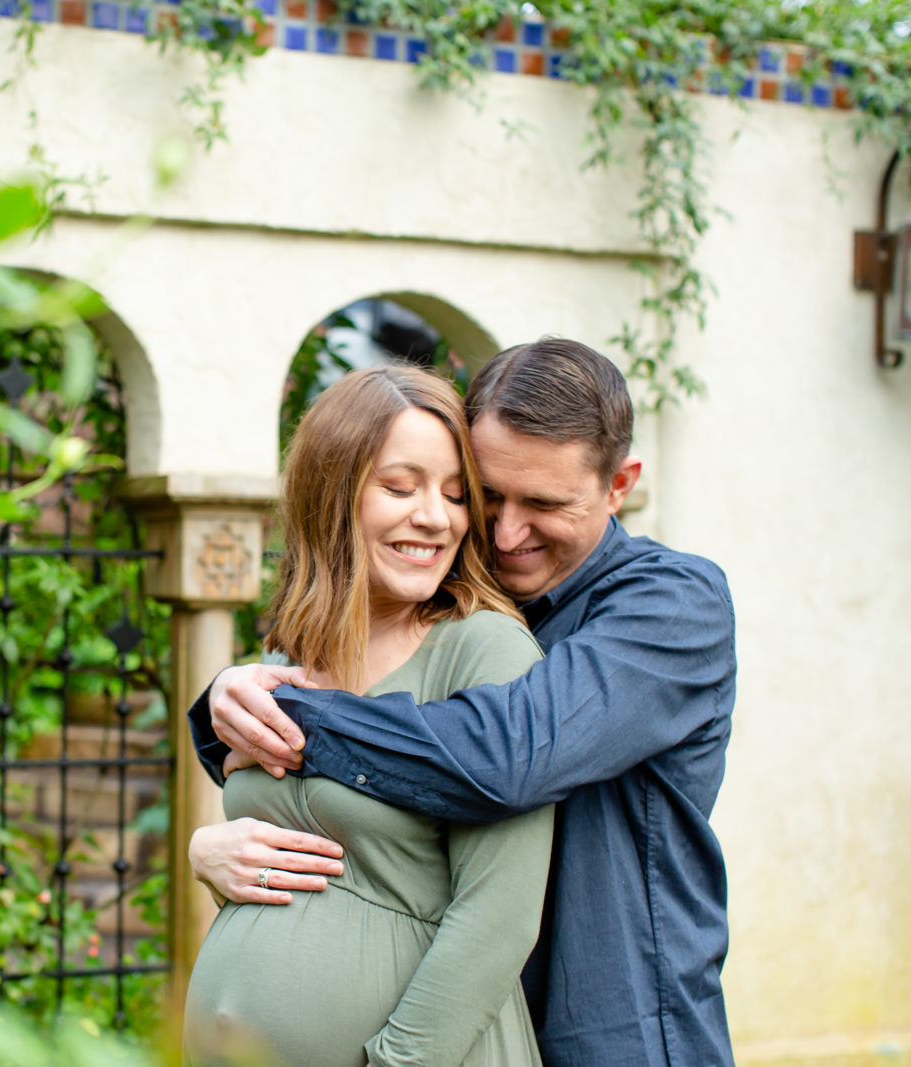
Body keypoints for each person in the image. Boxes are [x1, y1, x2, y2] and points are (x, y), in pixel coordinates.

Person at [188, 338, 738, 1067]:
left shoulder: (670, 607)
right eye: (485, 496)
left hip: (617, 1033)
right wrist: (218, 822)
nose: (506, 533)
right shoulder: (441, 607)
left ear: (619, 486)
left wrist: (283, 715)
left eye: (544, 504)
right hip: (487, 1023)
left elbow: (508, 756)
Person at [182, 365, 555, 1067]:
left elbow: (499, 917)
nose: (436, 517)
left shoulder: (484, 650)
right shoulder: (291, 653)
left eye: (456, 494)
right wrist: (206, 852)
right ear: (332, 493)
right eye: (400, 487)